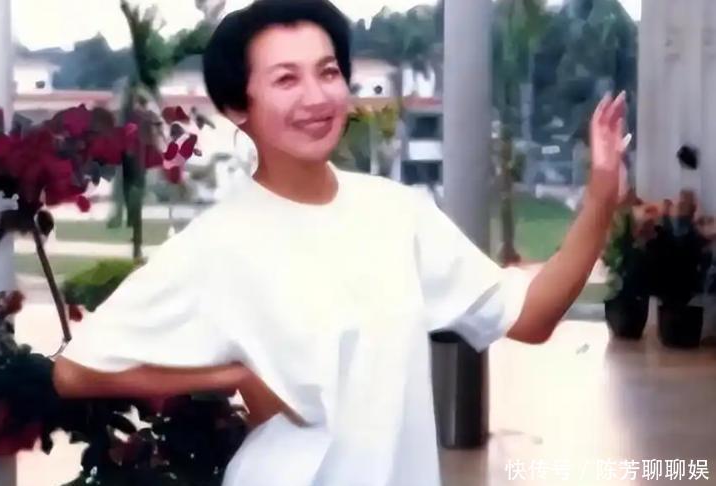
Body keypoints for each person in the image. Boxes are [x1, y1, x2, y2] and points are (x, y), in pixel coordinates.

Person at [52, 1, 628, 485]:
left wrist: (600, 197)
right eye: (286, 79)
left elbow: (530, 317)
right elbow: (76, 371)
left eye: (328, 73)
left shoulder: (397, 214)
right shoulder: (219, 242)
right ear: (237, 107)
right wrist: (234, 377)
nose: (317, 97)